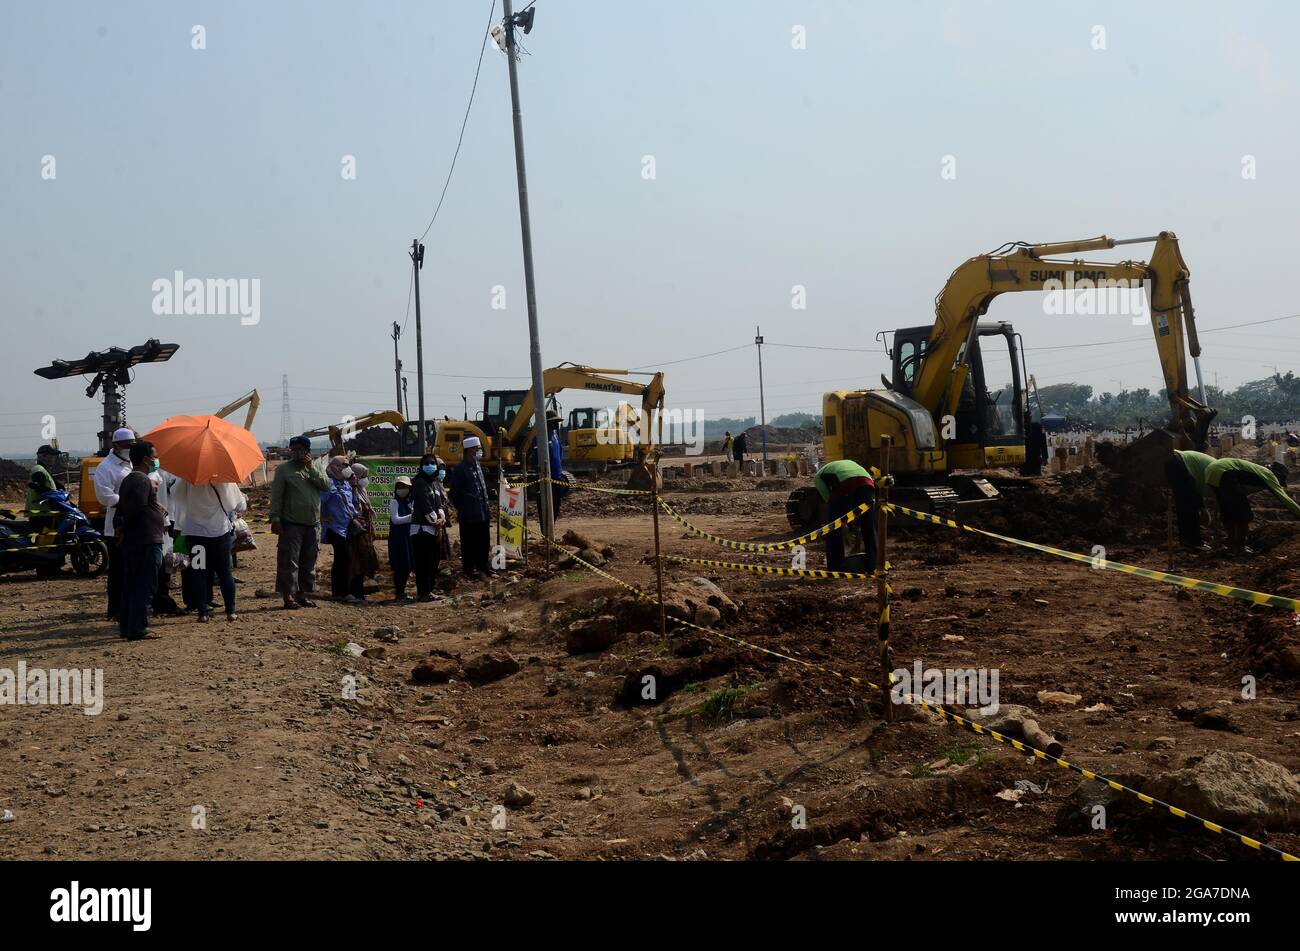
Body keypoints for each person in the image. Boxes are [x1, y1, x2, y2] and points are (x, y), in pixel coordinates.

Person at [171, 475, 247, 623]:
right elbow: (237, 505)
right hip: (219, 533)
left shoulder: (188, 478)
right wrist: (242, 498)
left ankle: (202, 613)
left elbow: (176, 496)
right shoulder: (224, 479)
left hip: (195, 534)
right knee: (225, 572)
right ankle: (230, 611)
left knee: (199, 572)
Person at [113, 441, 166, 640]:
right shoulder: (141, 481)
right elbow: (134, 510)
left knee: (133, 585)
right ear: (145, 459)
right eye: (154, 456)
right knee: (144, 585)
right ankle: (138, 627)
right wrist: (124, 529)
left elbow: (124, 509)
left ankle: (128, 626)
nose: (156, 460)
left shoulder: (132, 480)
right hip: (144, 540)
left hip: (138, 540)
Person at [270, 435, 328, 610]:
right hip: (291, 524)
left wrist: (311, 469)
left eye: (299, 449)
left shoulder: (316, 467)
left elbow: (326, 486)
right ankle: (288, 597)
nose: (295, 453)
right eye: (293, 449)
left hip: (313, 524)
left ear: (307, 451)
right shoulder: (284, 470)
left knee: (308, 561)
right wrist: (275, 518)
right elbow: (277, 496)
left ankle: (303, 594)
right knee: (289, 561)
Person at [1205, 456, 1300, 554]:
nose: (1279, 484)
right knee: (1244, 514)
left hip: (1211, 472)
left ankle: (1232, 544)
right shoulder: (1270, 475)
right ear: (1279, 476)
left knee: (1228, 511)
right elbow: (1286, 500)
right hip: (1225, 473)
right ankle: (1240, 547)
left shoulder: (1259, 470)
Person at [92, 427, 136, 620]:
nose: (129, 448)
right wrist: (129, 499)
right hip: (116, 527)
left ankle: (129, 606)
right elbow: (104, 496)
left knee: (132, 570)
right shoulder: (106, 467)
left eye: (131, 445)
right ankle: (115, 610)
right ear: (116, 445)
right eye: (126, 445)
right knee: (118, 571)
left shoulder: (133, 463)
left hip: (136, 524)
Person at [813, 459, 877, 573]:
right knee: (868, 525)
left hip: (846, 482)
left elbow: (828, 499)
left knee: (834, 527)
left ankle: (835, 566)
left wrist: (833, 516)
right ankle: (873, 564)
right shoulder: (846, 464)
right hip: (867, 482)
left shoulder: (818, 477)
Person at [321, 456, 364, 602]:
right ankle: (343, 593)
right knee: (343, 558)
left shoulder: (345, 484)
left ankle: (339, 592)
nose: (347, 468)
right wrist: (322, 517)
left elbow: (352, 503)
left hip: (347, 527)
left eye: (348, 465)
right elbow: (317, 502)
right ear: (336, 467)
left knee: (344, 559)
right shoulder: (329, 484)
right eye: (344, 465)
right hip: (335, 528)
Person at [450, 436, 493, 579]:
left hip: (482, 512)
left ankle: (483, 566)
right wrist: (464, 506)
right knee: (470, 542)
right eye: (477, 449)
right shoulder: (460, 469)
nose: (479, 452)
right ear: (469, 450)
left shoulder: (478, 466)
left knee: (483, 540)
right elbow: (455, 494)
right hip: (469, 514)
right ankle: (469, 568)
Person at [410, 455, 448, 600]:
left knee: (433, 560)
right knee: (423, 562)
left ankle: (429, 590)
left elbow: (438, 504)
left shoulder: (434, 483)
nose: (430, 465)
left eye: (432, 463)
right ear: (421, 466)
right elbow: (424, 504)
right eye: (427, 463)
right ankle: (423, 592)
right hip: (421, 529)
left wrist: (442, 516)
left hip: (433, 528)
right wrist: (435, 520)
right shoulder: (419, 482)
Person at [1165, 449, 1216, 550]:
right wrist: (1202, 509)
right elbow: (1194, 490)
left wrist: (1202, 508)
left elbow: (1196, 488)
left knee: (1184, 504)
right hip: (1180, 463)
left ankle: (1187, 541)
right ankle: (1194, 541)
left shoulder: (1216, 472)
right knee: (1189, 505)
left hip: (1176, 460)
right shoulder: (1218, 478)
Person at [348, 462, 381, 596]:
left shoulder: (362, 491)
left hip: (365, 532)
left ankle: (360, 591)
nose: (365, 479)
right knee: (355, 563)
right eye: (363, 476)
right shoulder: (351, 490)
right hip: (356, 533)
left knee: (364, 561)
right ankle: (354, 592)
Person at [388, 475, 416, 601]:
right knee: (400, 566)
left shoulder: (409, 502)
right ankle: (399, 593)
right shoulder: (395, 502)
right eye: (399, 486)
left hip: (407, 536)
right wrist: (411, 517)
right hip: (398, 538)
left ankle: (402, 592)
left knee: (407, 565)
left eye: (405, 486)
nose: (402, 489)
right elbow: (395, 520)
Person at [26, 445, 64, 531]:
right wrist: (51, 493)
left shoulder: (44, 470)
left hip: (45, 512)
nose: (54, 458)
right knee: (46, 541)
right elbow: (40, 487)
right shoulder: (39, 470)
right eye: (52, 455)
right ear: (42, 456)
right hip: (40, 513)